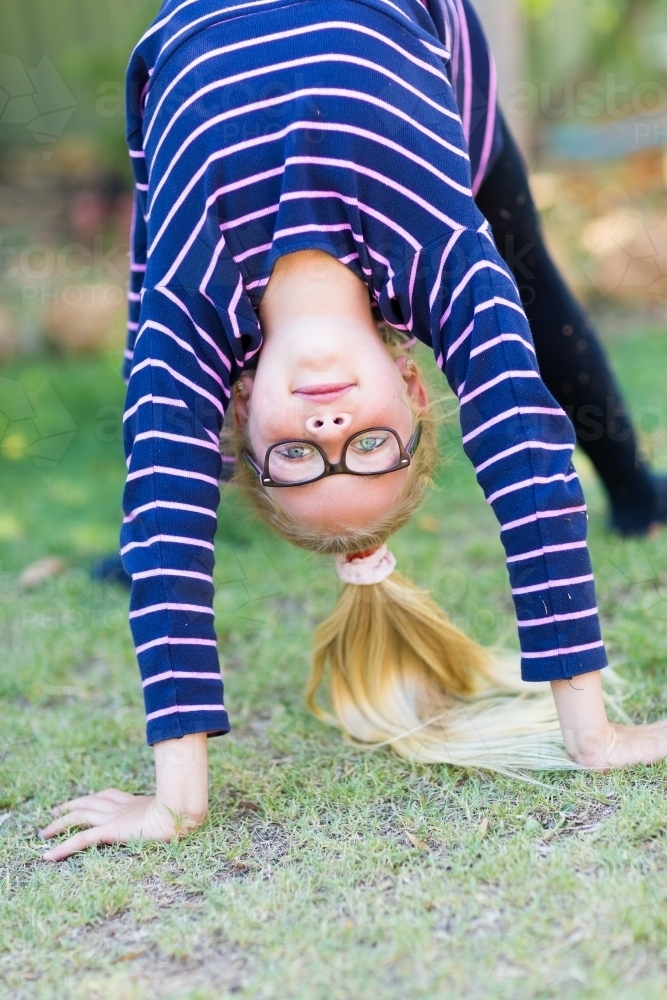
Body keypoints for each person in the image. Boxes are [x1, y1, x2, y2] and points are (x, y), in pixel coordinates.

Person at [41, 0, 667, 861]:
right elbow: (526, 453)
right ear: (413, 383)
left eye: (297, 456)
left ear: (236, 410)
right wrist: (590, 736)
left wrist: (175, 799)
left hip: (197, 36)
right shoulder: (439, 260)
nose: (329, 424)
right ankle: (636, 489)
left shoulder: (190, 317)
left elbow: (165, 505)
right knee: (529, 280)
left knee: (153, 364)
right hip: (422, 36)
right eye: (369, 445)